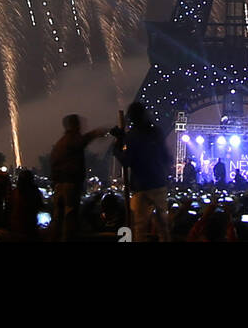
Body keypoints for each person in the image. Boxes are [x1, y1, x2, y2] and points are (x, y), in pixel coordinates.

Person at [114, 102, 171, 242]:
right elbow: (166, 157)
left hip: (142, 186)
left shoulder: (132, 136)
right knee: (163, 226)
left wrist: (117, 147)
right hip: (158, 183)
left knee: (139, 227)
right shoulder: (156, 132)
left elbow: (127, 161)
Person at [49, 114, 108, 241]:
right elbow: (82, 141)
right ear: (74, 125)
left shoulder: (60, 143)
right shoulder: (72, 140)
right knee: (69, 217)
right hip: (70, 185)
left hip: (59, 185)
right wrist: (97, 133)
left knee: (58, 217)